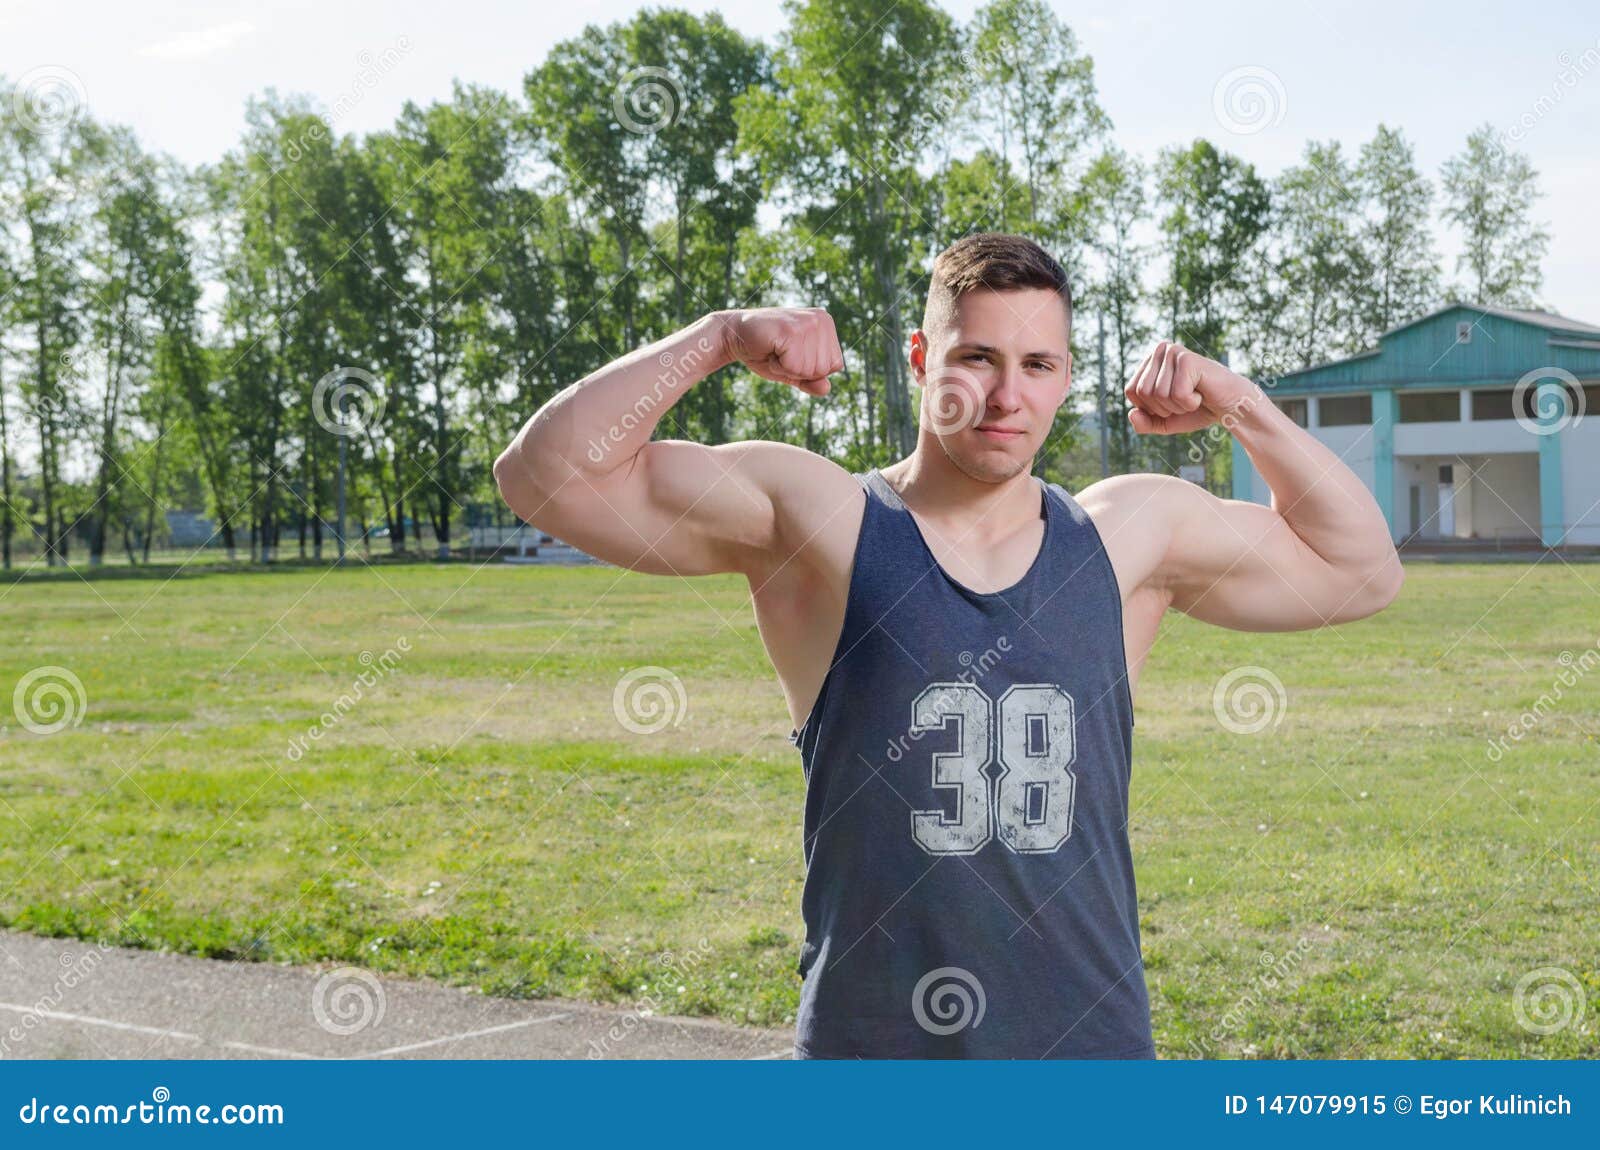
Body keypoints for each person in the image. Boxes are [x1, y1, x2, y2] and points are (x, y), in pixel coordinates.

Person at [493, 232, 1403, 1059]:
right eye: (978, 358)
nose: (1009, 395)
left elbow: (1362, 571)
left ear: (1066, 376)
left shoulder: (1128, 536)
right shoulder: (822, 521)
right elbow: (545, 476)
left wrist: (1242, 403)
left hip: (1089, 1053)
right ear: (925, 359)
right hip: (876, 1053)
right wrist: (723, 335)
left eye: (1039, 364)